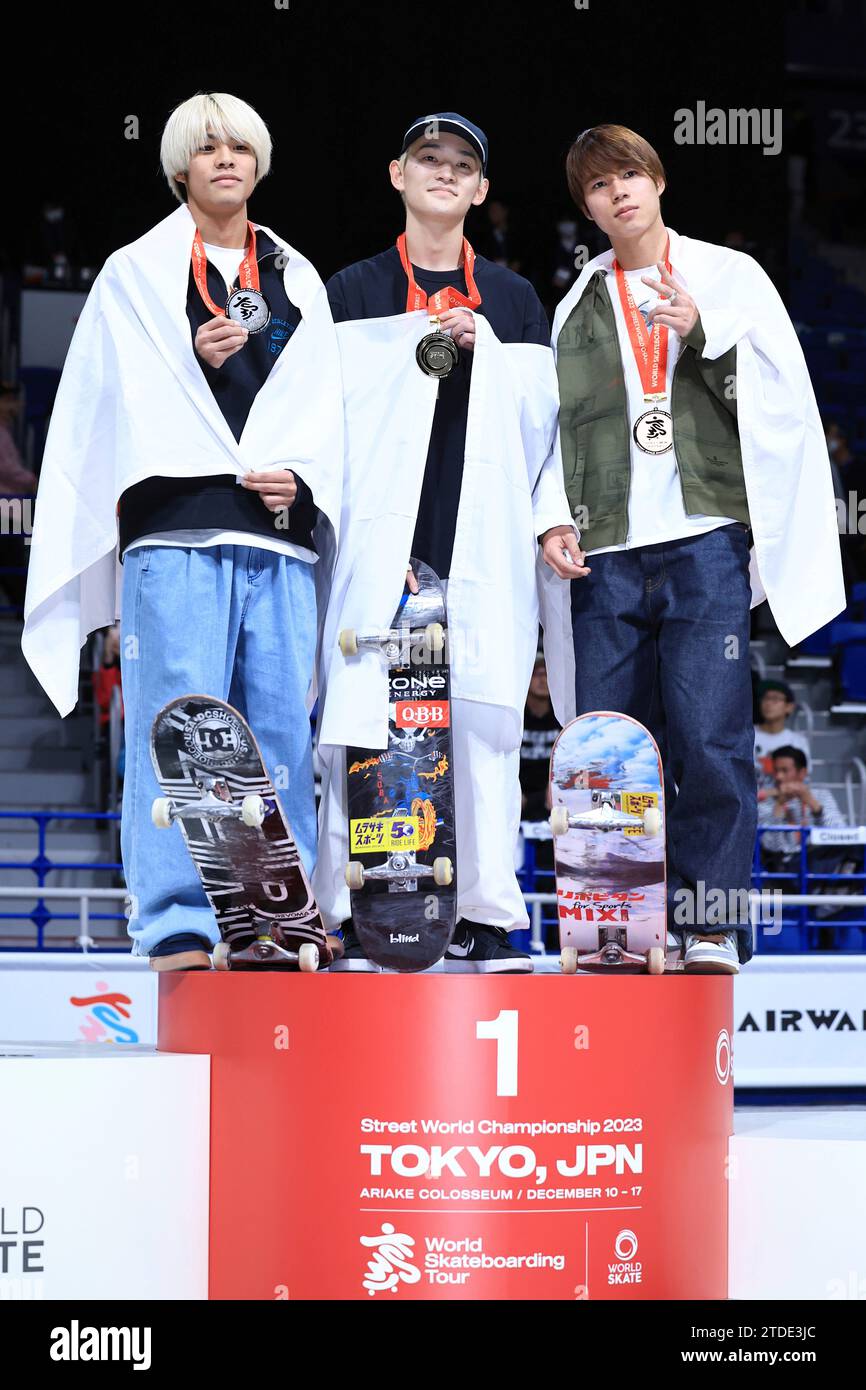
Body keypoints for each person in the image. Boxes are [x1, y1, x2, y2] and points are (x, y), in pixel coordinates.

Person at [22, 92, 343, 970]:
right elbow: (100, 404)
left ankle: (277, 917)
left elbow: (328, 414)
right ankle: (176, 922)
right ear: (180, 168)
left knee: (276, 734)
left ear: (260, 160)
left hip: (277, 536)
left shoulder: (296, 276)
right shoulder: (138, 273)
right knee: (179, 734)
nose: (226, 159)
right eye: (208, 149)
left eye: (241, 145)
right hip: (176, 532)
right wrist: (183, 357)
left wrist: (307, 483)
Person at [552, 124, 845, 974]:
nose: (620, 194)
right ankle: (615, 923)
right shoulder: (577, 304)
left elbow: (787, 403)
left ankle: (710, 923)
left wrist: (707, 333)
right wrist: (553, 519)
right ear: (588, 209)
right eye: (600, 187)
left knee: (711, 740)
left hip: (702, 539)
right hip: (606, 546)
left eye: (631, 175)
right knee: (611, 746)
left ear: (659, 180)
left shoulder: (728, 274)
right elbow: (552, 430)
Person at [315, 112, 581, 973]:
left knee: (482, 724)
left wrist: (488, 352)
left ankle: (488, 913)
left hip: (482, 541)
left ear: (480, 190)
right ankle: (349, 911)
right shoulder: (350, 290)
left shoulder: (512, 299)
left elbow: (552, 429)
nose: (444, 172)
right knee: (363, 720)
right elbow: (317, 415)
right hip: (376, 535)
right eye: (428, 159)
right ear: (397, 174)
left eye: (462, 164)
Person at [754, 679, 810, 800]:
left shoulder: (798, 741)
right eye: (765, 698)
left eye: (775, 699)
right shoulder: (746, 736)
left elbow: (803, 780)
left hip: (786, 803)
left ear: (789, 707)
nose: (768, 703)